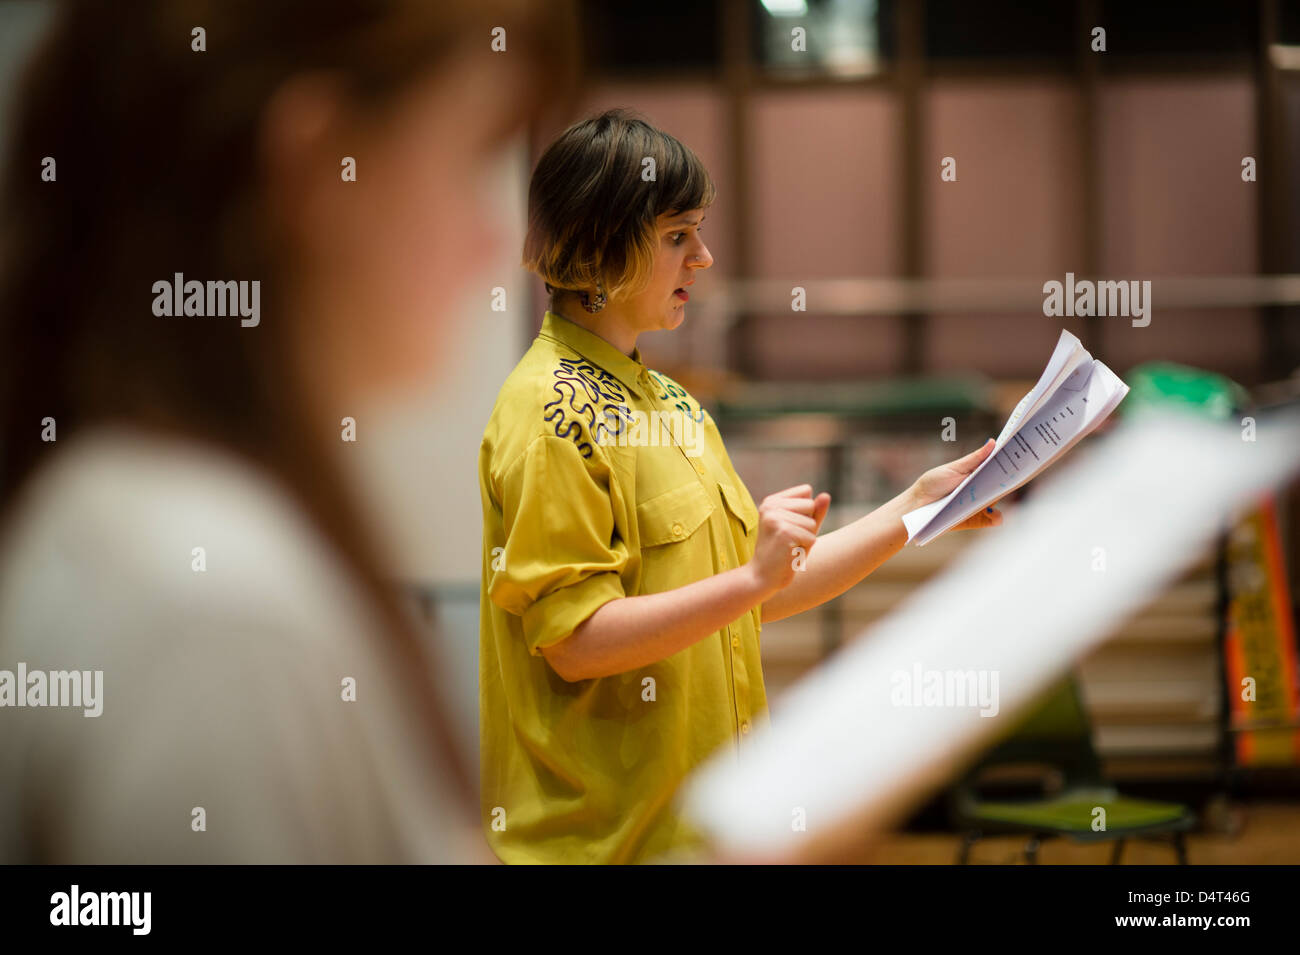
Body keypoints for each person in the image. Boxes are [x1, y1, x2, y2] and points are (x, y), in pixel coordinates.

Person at [0, 0, 575, 863]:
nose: (499, 241)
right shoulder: (206, 610)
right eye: (473, 159)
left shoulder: (166, 531)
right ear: (319, 165)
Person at [478, 108, 1003, 864]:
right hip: (601, 849)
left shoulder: (674, 405)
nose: (705, 257)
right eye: (677, 236)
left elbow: (756, 594)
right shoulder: (549, 412)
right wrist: (753, 576)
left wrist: (917, 507)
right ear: (599, 245)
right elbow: (575, 641)